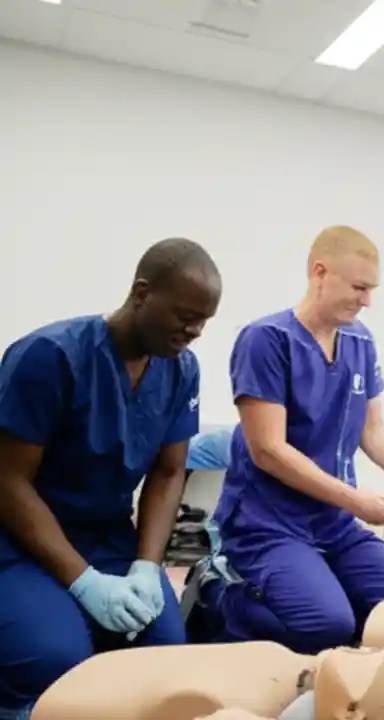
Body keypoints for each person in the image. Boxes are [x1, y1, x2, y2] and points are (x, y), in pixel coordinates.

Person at [0, 238, 221, 719]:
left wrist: (147, 565)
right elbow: (8, 482)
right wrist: (83, 583)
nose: (195, 331)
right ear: (142, 293)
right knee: (54, 660)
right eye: (185, 316)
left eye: (204, 321)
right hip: (19, 542)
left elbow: (168, 472)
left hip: (109, 539)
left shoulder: (181, 370)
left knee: (163, 655)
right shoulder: (49, 356)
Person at [207, 226, 384, 655]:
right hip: (268, 524)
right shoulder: (266, 340)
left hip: (332, 523)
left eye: (372, 290)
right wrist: (357, 501)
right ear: (321, 272)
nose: (367, 300)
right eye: (360, 287)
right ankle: (220, 597)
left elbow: (371, 430)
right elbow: (269, 452)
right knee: (326, 625)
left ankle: (324, 592)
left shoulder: (360, 341)